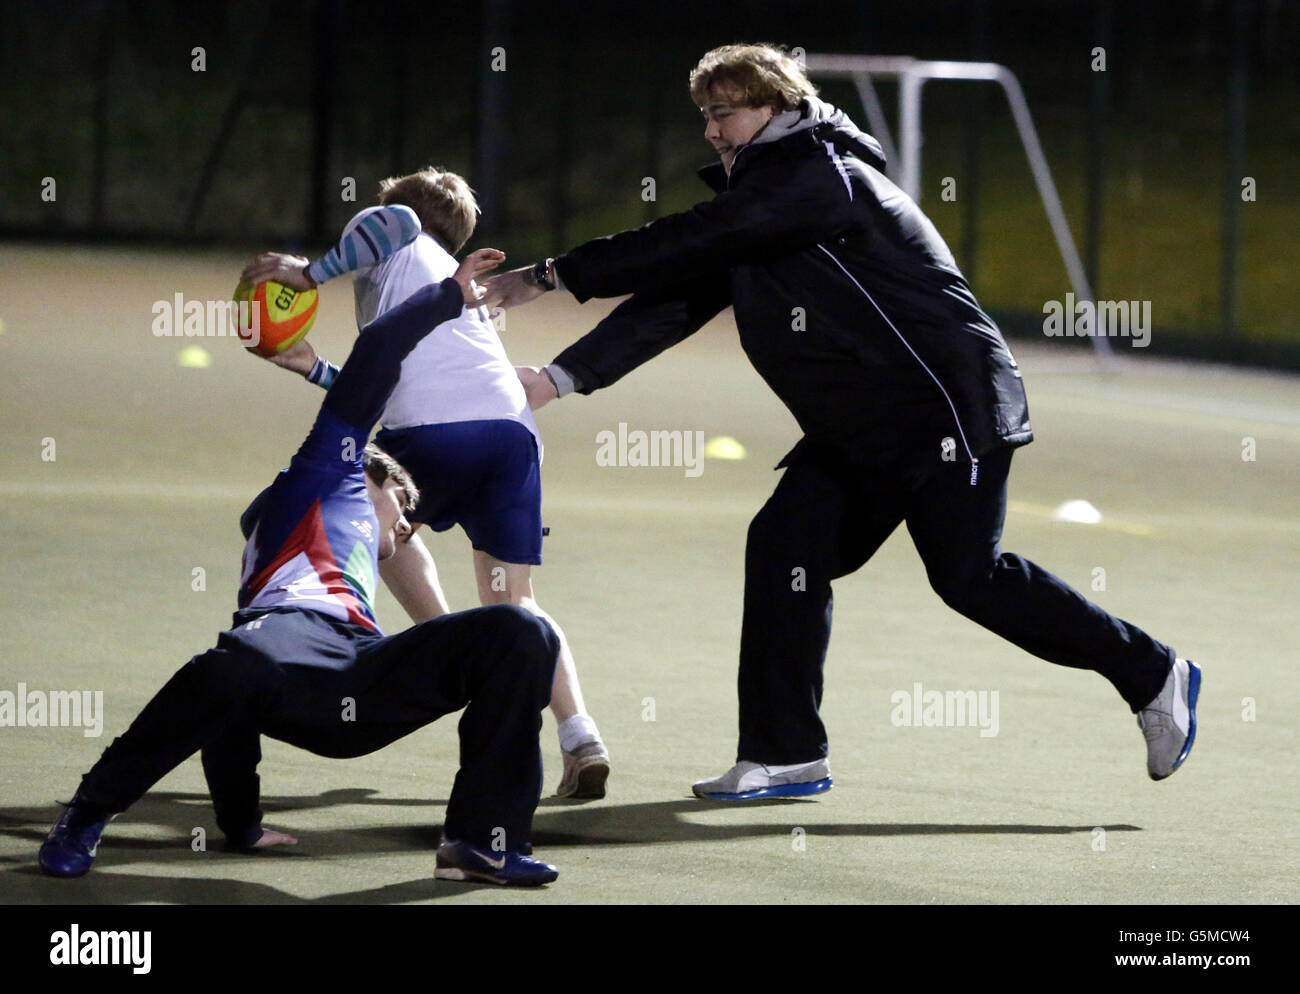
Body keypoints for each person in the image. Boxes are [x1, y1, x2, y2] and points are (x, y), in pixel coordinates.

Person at [484, 43, 1200, 800]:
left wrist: (548, 275)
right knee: (787, 545)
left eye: (723, 113)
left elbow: (689, 240)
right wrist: (556, 379)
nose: (712, 132)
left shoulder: (820, 178)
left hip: (946, 406)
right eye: (705, 116)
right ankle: (787, 753)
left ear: (776, 106)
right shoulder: (760, 196)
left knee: (969, 578)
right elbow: (679, 291)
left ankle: (1154, 673)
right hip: (862, 427)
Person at [38, 249, 565, 886]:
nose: (405, 525)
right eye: (401, 502)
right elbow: (375, 358)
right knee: (233, 664)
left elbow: (228, 710)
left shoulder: (299, 534)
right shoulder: (329, 471)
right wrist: (447, 297)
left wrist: (240, 825)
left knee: (522, 632)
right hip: (293, 655)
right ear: (360, 471)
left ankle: (480, 842)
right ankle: (86, 813)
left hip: (363, 673)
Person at [239, 168, 610, 799]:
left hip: (437, 432)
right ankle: (581, 735)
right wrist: (313, 368)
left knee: (371, 525)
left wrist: (308, 274)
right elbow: (392, 380)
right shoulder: (445, 293)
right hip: (510, 438)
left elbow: (394, 222)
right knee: (513, 599)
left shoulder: (397, 233)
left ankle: (449, 654)